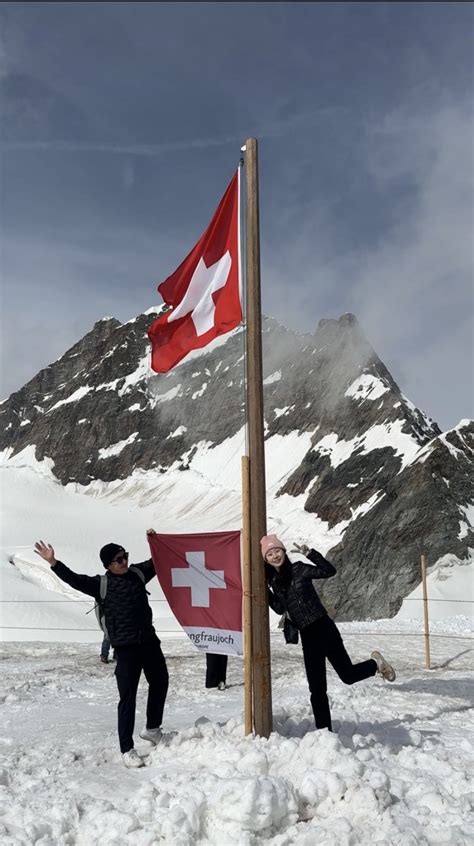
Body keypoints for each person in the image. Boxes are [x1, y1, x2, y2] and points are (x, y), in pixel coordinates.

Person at [34, 530, 169, 768]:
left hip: (149, 642)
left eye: (125, 556)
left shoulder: (138, 574)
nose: (124, 561)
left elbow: (159, 560)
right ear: (108, 564)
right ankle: (127, 749)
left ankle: (152, 729)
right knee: (127, 698)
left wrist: (155, 540)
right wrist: (53, 562)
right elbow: (74, 579)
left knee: (160, 682)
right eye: (119, 559)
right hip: (125, 649)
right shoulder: (101, 584)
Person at [261, 534, 396, 732]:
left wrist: (310, 554)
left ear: (283, 551)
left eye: (277, 551)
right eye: (270, 554)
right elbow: (280, 608)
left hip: (324, 627)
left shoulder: (299, 568)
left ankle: (376, 664)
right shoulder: (274, 581)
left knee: (348, 676)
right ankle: (324, 732)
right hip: (307, 635)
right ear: (266, 559)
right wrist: (266, 592)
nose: (275, 556)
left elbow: (328, 571)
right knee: (316, 689)